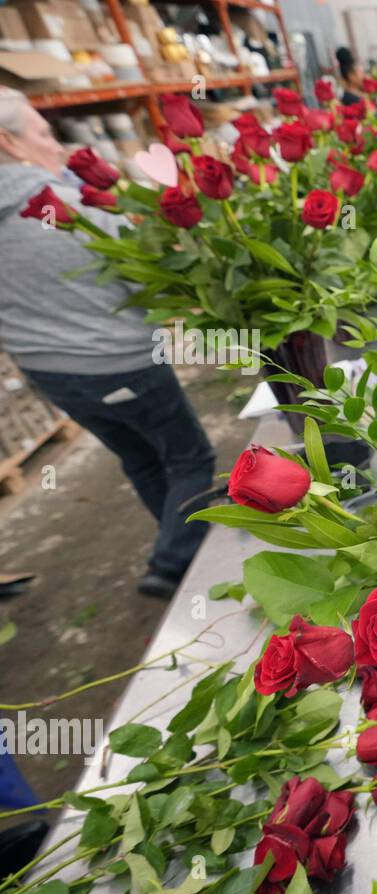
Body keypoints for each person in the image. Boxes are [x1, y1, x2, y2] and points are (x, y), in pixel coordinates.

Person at [0, 89, 214, 598]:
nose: (58, 147)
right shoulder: (72, 210)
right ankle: (172, 560)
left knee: (139, 456)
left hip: (47, 372)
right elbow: (145, 286)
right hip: (119, 362)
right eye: (45, 134)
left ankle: (182, 548)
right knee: (190, 458)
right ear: (7, 142)